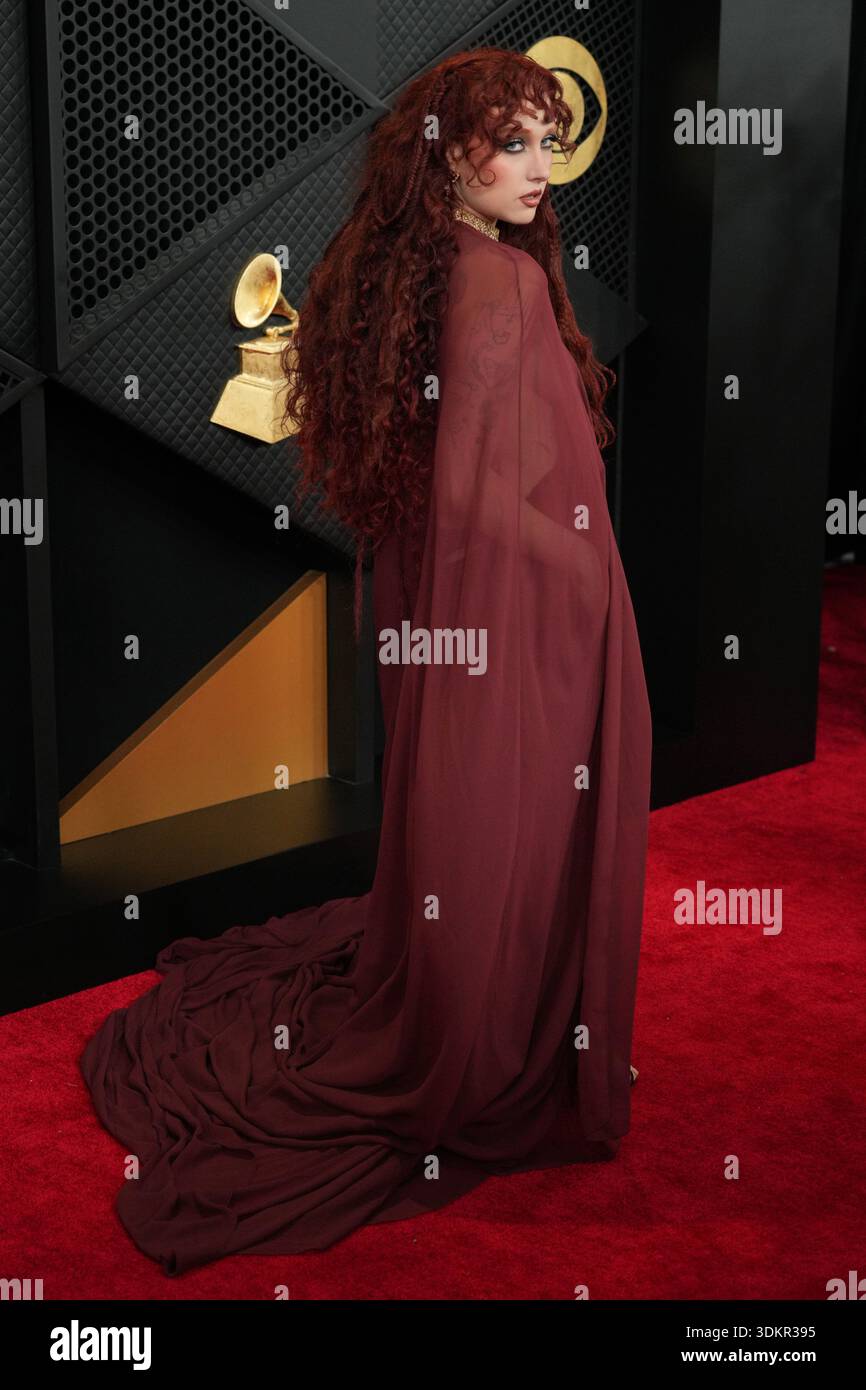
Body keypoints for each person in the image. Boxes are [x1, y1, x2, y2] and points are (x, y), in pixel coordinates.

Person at [79, 47, 652, 1277]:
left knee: (473, 819)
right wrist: (580, 570)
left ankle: (463, 996)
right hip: (518, 606)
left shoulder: (420, 264)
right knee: (518, 820)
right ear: (448, 153)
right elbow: (479, 489)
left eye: (548, 144)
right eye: (514, 143)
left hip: (449, 600)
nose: (539, 170)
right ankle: (491, 1035)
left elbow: (434, 481)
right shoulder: (497, 282)